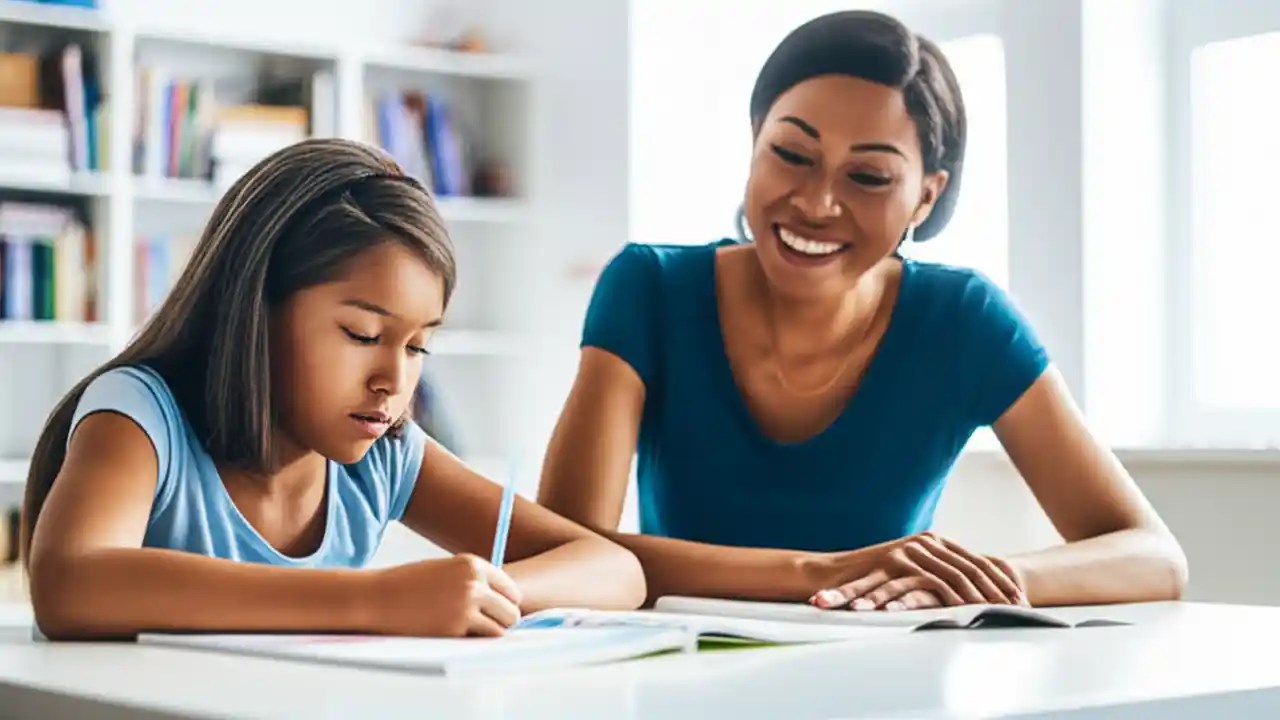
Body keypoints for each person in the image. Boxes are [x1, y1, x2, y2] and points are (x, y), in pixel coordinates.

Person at [539, 10, 1186, 611]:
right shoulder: (650, 288)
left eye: (869, 177)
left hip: (891, 674)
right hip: (684, 670)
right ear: (754, 142)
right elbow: (563, 551)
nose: (817, 203)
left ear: (926, 197)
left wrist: (968, 579)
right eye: (791, 155)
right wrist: (818, 572)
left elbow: (1154, 557)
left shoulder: (963, 319)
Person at [21, 139, 645, 640]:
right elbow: (69, 583)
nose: (393, 381)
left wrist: (482, 594)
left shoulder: (385, 456)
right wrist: (375, 600)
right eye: (361, 333)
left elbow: (615, 569)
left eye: (418, 346)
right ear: (256, 308)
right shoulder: (141, 415)